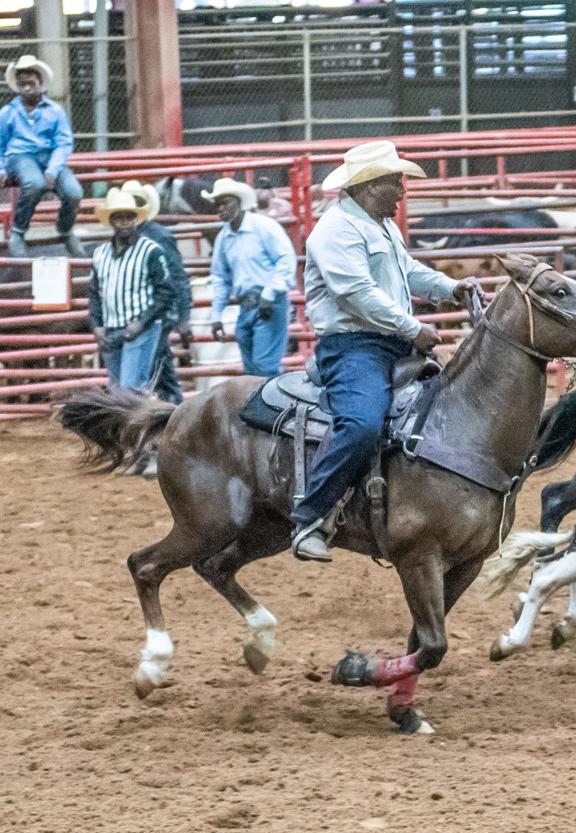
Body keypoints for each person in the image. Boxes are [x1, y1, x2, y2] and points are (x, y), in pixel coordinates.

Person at [291, 140, 478, 562]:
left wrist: (450, 287)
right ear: (369, 185)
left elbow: (406, 271)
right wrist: (413, 328)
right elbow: (358, 294)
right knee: (361, 425)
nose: (402, 189)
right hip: (354, 347)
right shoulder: (336, 230)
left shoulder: (380, 225)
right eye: (396, 181)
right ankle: (310, 516)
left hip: (389, 342)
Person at [205, 177, 298, 378]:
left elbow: (285, 258)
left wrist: (271, 291)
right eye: (218, 205)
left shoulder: (263, 227)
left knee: (264, 367)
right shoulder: (224, 237)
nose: (221, 209)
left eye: (225, 203)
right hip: (246, 304)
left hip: (269, 302)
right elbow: (220, 277)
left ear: (239, 203)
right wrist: (216, 314)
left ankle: (273, 407)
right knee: (252, 369)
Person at [87, 190, 175, 391]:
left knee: (130, 389)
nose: (126, 222)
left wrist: (142, 322)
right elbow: (94, 292)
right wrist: (96, 324)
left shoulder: (151, 250)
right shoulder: (100, 254)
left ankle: (135, 423)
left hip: (141, 329)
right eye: (120, 217)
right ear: (112, 220)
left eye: (130, 216)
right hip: (111, 328)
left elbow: (166, 292)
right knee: (118, 390)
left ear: (136, 219)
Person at [0, 54, 84, 258]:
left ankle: (65, 229)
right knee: (34, 183)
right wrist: (1, 169)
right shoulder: (7, 113)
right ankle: (18, 231)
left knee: (74, 192)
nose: (27, 87)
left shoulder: (55, 111)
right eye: (22, 84)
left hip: (49, 156)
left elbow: (63, 142)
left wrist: (53, 169)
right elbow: (0, 144)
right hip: (20, 156)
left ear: (40, 82)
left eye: (30, 82)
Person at [121, 180, 193, 404]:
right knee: (158, 366)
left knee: (158, 366)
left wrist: (183, 316)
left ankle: (175, 409)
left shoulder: (157, 236)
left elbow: (177, 276)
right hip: (144, 313)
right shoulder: (135, 237)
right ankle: (175, 410)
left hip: (158, 312)